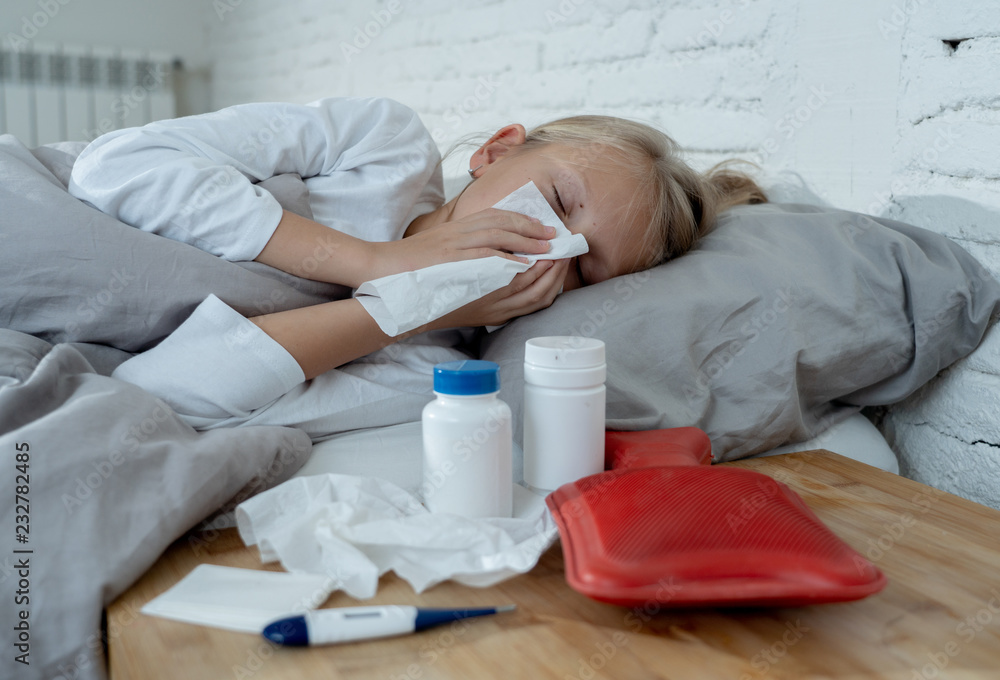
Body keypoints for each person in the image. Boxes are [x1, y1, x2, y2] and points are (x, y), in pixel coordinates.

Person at [68, 96, 766, 434]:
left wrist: (406, 307)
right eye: (556, 198)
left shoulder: (428, 376)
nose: (547, 241)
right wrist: (376, 259)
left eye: (581, 268)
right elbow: (113, 164)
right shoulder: (383, 148)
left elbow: (160, 397)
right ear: (494, 152)